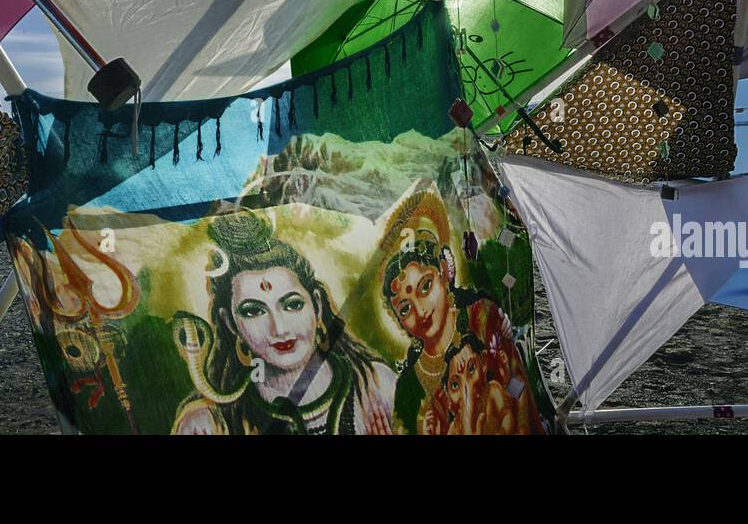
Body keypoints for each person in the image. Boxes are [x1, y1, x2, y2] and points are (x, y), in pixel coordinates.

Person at [172, 210, 396, 435]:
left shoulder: (375, 386)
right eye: (253, 312)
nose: (278, 328)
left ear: (316, 306)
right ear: (230, 323)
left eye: (292, 305)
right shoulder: (206, 424)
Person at [377, 185, 542, 434]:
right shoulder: (408, 385)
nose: (420, 311)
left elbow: (518, 382)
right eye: (404, 309)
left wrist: (511, 408)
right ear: (397, 320)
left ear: (444, 272)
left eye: (425, 287)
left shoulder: (482, 317)